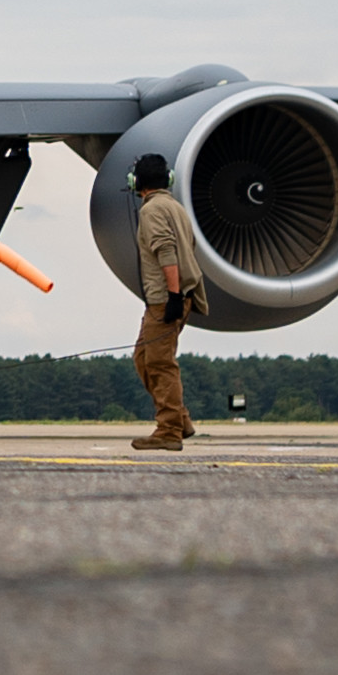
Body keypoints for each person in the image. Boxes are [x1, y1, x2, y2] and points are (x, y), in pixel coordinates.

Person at [130, 152, 199, 452]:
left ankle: (169, 429)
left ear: (138, 182)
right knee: (144, 358)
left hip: (165, 299)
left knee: (159, 362)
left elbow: (166, 251)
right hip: (172, 298)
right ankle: (180, 419)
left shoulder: (152, 211)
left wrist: (173, 296)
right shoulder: (175, 207)